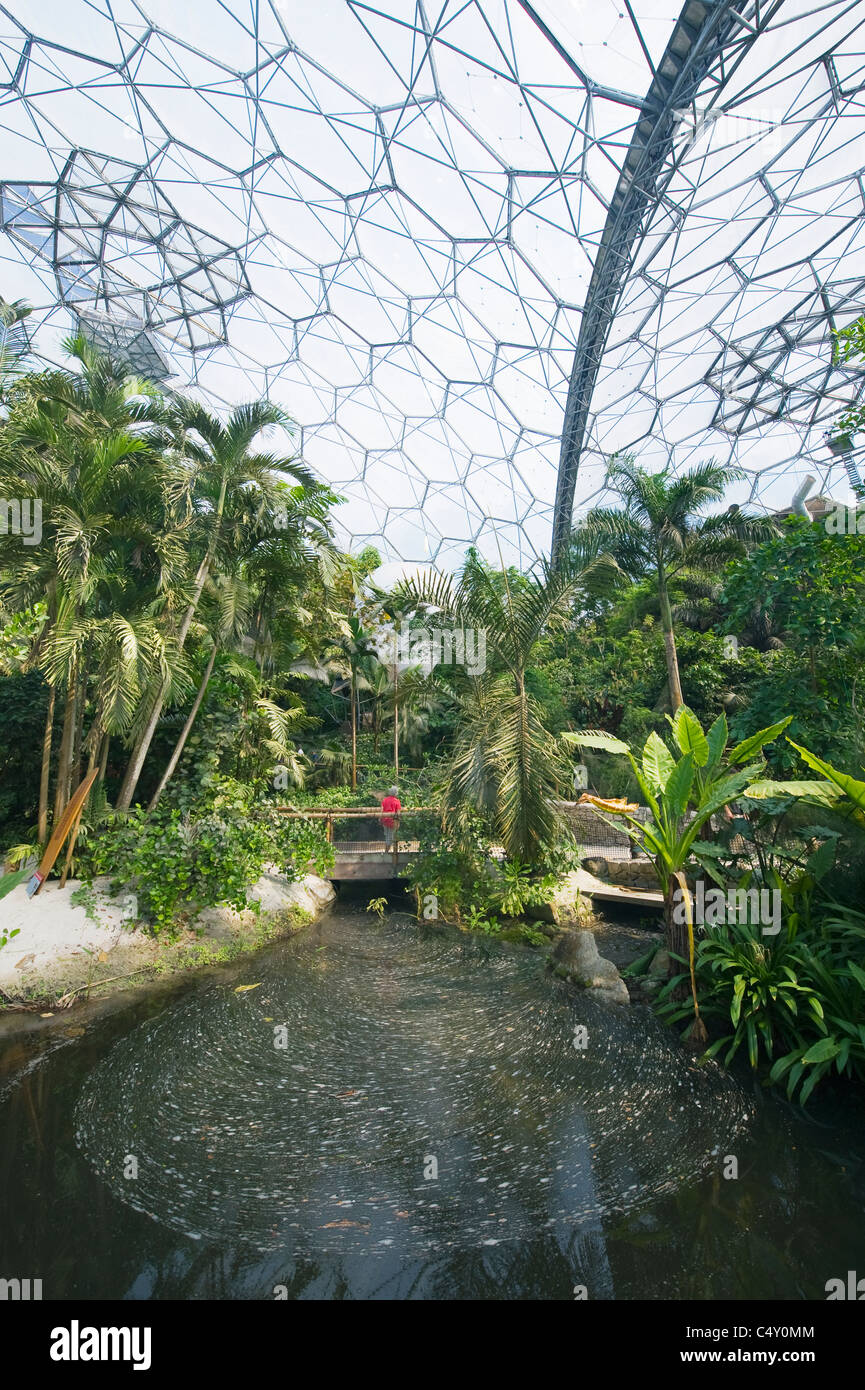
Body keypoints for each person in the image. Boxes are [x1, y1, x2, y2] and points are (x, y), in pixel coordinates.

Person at [380, 785, 401, 850]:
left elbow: (381, 810)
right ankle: (387, 851)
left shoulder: (384, 800)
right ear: (396, 793)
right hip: (392, 821)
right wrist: (398, 822)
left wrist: (380, 819)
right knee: (391, 837)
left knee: (387, 836)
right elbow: (398, 813)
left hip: (385, 820)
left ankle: (387, 850)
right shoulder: (397, 801)